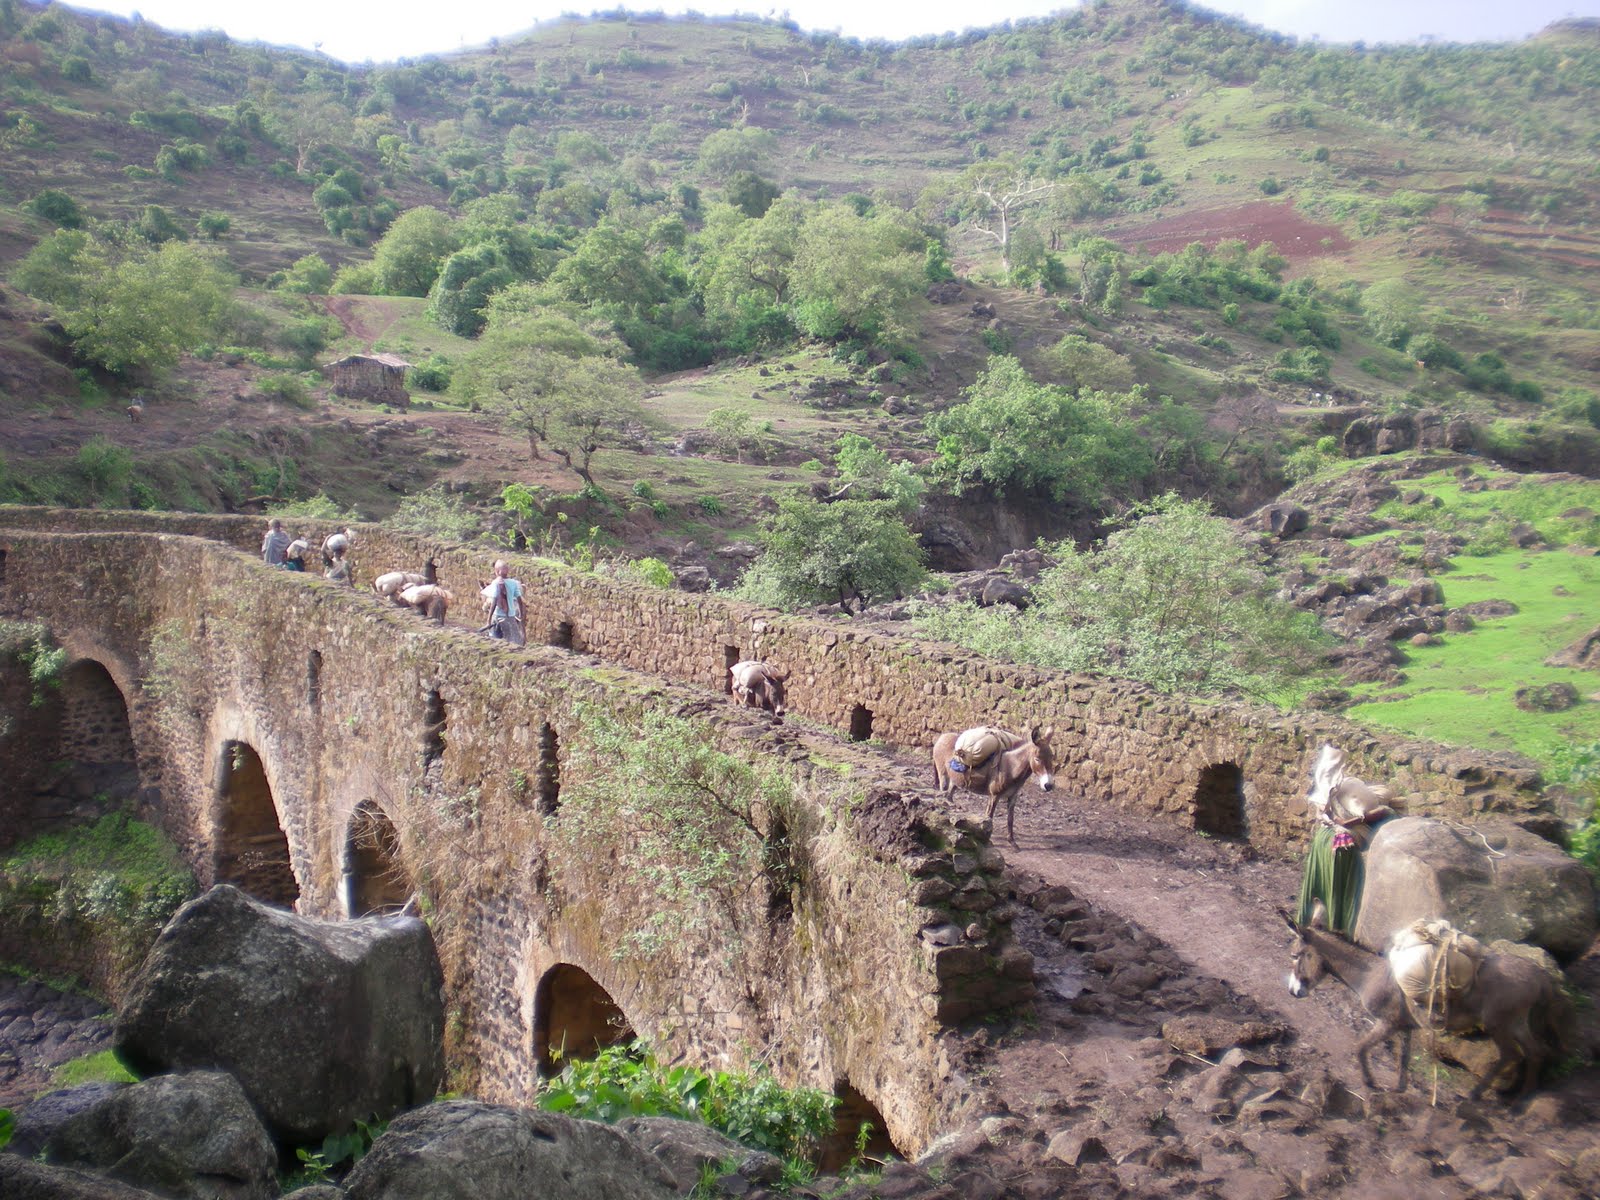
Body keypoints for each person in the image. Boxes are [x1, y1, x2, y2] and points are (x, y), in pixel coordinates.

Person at [1295, 744, 1398, 937]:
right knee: (1337, 848)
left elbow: (1373, 811)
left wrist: (1347, 821)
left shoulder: (1349, 788)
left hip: (1340, 837)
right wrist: (1339, 822)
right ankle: (1332, 918)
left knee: (1338, 847)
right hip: (1334, 839)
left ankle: (1335, 917)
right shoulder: (1327, 792)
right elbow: (1327, 814)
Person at [485, 559, 525, 646]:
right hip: (511, 617)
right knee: (514, 642)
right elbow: (520, 601)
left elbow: (494, 601)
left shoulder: (495, 583)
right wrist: (521, 616)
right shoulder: (514, 583)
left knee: (494, 641)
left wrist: (488, 620)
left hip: (498, 616)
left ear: (498, 572)